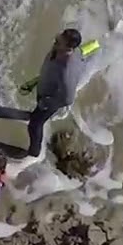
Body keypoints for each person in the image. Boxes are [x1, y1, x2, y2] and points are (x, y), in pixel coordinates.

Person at [20, 28, 97, 157]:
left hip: (50, 99)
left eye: (60, 40)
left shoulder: (66, 72)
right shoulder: (60, 49)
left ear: (68, 47)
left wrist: (46, 103)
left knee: (35, 124)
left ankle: (34, 153)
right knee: (35, 120)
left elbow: (68, 99)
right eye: (60, 36)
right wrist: (35, 82)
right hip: (46, 86)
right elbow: (85, 49)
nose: (57, 38)